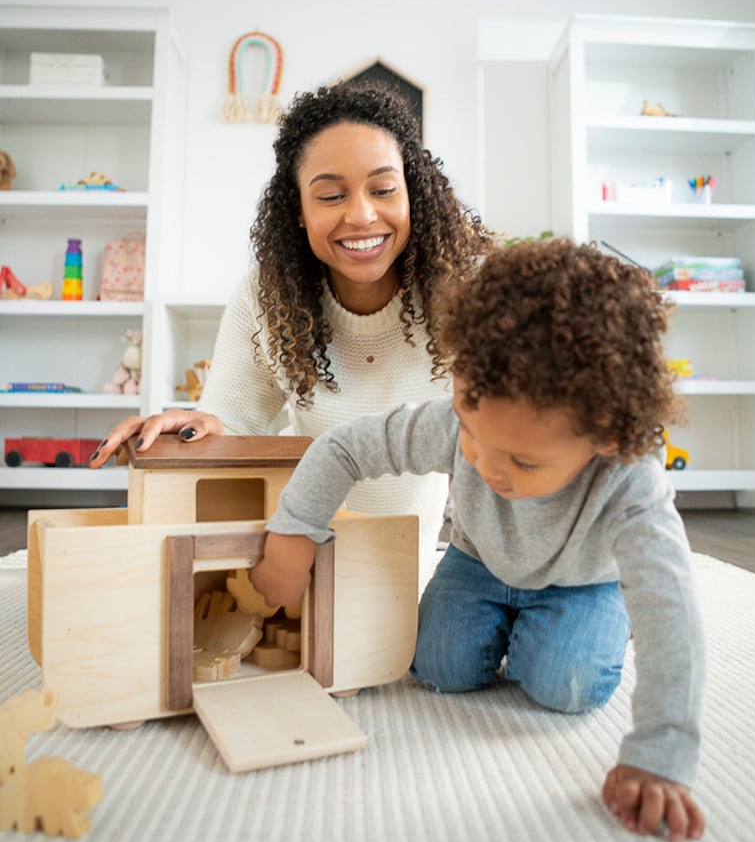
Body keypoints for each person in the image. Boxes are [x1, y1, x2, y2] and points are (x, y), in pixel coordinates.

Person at [249, 238, 706, 842]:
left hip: (581, 583)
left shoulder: (630, 478)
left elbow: (672, 614)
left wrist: (661, 754)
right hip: (478, 562)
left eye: (523, 460)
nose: (486, 467)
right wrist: (294, 534)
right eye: (472, 433)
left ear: (607, 438)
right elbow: (342, 447)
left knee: (565, 684)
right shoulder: (459, 417)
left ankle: (600, 618)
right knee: (437, 666)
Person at [90, 81, 493, 576]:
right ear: (299, 210)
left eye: (384, 189)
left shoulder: (471, 287)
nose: (362, 215)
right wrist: (194, 428)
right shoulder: (268, 297)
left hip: (409, 567)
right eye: (331, 195)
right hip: (302, 552)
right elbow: (232, 423)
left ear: (413, 193)